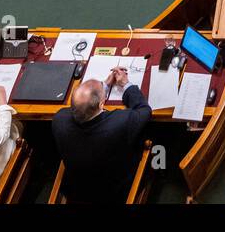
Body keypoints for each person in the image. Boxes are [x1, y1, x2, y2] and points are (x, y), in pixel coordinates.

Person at [51, 69, 152, 203]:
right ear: (101, 104)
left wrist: (103, 86)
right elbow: (144, 110)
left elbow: (76, 108)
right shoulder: (120, 122)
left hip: (80, 189)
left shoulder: (59, 120)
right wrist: (126, 84)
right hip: (116, 192)